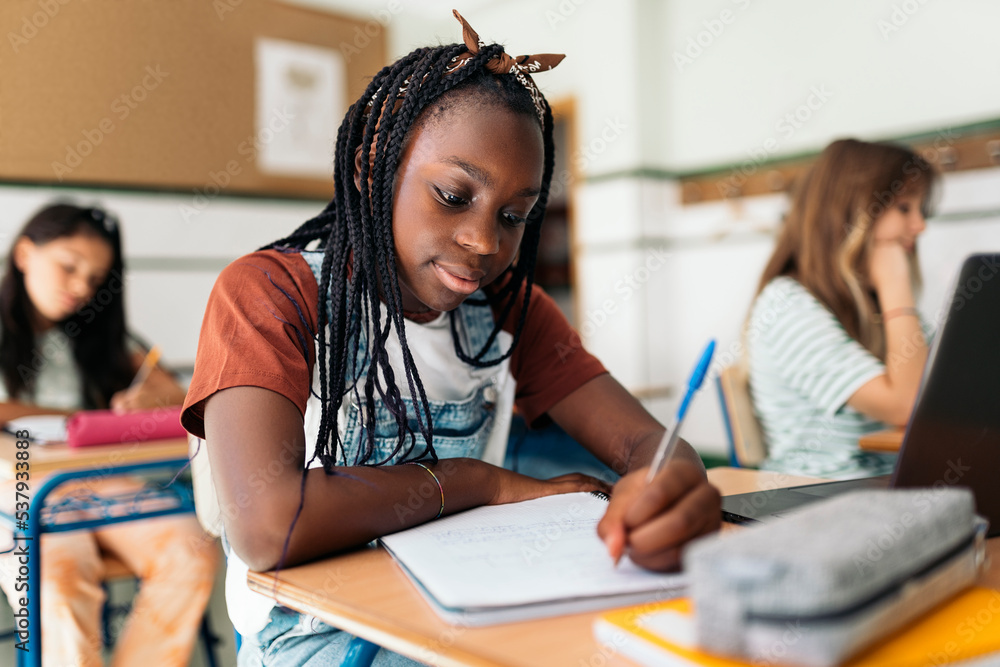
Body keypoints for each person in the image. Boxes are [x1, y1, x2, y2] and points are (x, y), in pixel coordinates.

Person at [181, 11, 720, 667]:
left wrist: (674, 482)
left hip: (469, 609)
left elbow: (647, 444)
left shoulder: (509, 309)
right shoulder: (272, 292)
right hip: (316, 634)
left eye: (515, 215)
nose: (485, 241)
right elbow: (269, 525)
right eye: (452, 194)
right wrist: (481, 483)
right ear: (369, 167)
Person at [0, 203, 219, 667]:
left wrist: (157, 394)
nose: (81, 287)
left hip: (98, 480)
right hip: (15, 488)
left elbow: (178, 397)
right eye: (68, 267)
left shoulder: (102, 339)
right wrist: (87, 416)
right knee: (57, 573)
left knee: (190, 549)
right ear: (23, 254)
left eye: (96, 279)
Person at [746, 139, 937, 479]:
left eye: (922, 209)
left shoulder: (875, 304)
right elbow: (908, 406)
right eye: (905, 208)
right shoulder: (787, 304)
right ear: (852, 212)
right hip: (819, 494)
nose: (920, 225)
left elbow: (942, 388)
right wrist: (896, 286)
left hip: (893, 487)